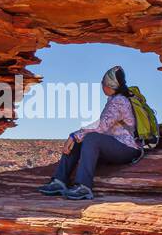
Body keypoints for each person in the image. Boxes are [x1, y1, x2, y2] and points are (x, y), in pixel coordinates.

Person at [38, 65, 142, 200]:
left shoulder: (119, 101)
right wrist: (77, 136)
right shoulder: (114, 100)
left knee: (90, 138)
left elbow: (101, 127)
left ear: (109, 85)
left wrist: (75, 135)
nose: (101, 86)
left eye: (102, 83)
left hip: (127, 149)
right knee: (80, 139)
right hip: (116, 146)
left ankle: (84, 187)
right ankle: (59, 181)